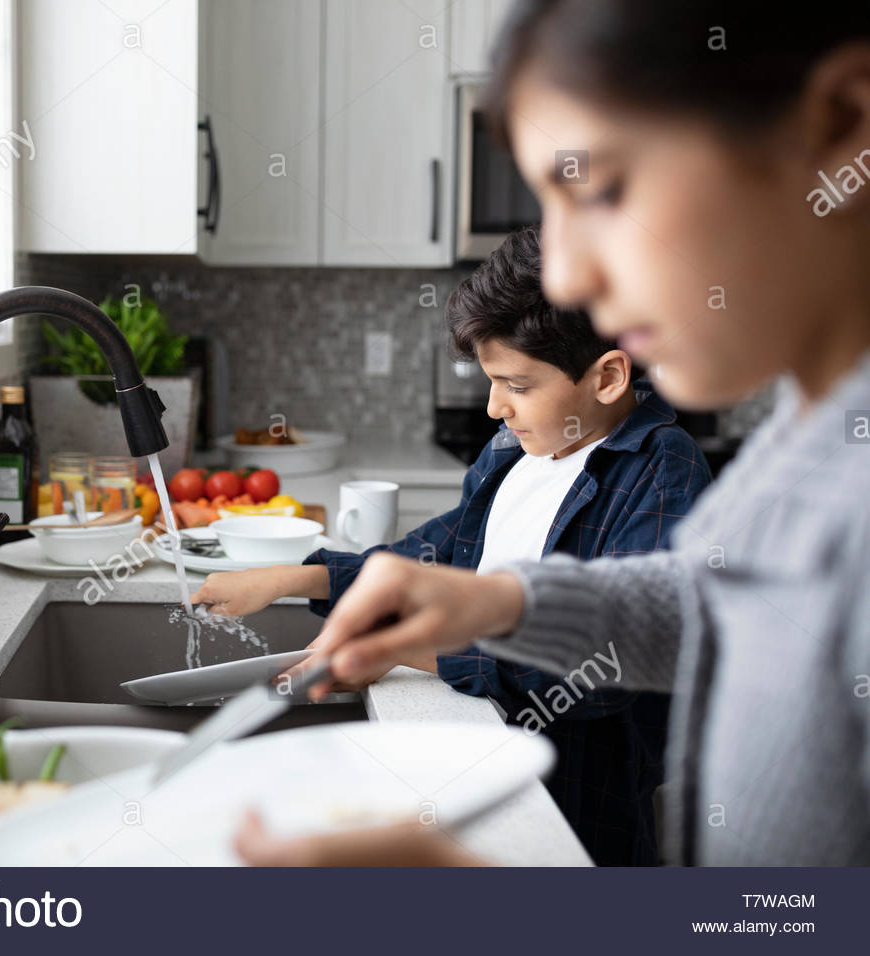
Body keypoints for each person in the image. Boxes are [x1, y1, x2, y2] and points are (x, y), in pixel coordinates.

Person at [235, 0, 870, 867]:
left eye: (603, 189)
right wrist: (501, 605)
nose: (567, 271)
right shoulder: (814, 437)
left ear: (842, 127)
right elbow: (723, 608)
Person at [192, 225, 710, 865]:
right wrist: (292, 578)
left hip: (583, 797)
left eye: (517, 386)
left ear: (607, 377)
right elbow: (432, 556)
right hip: (477, 744)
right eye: (490, 381)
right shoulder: (514, 454)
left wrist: (419, 650)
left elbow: (607, 667)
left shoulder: (662, 469)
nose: (495, 407)